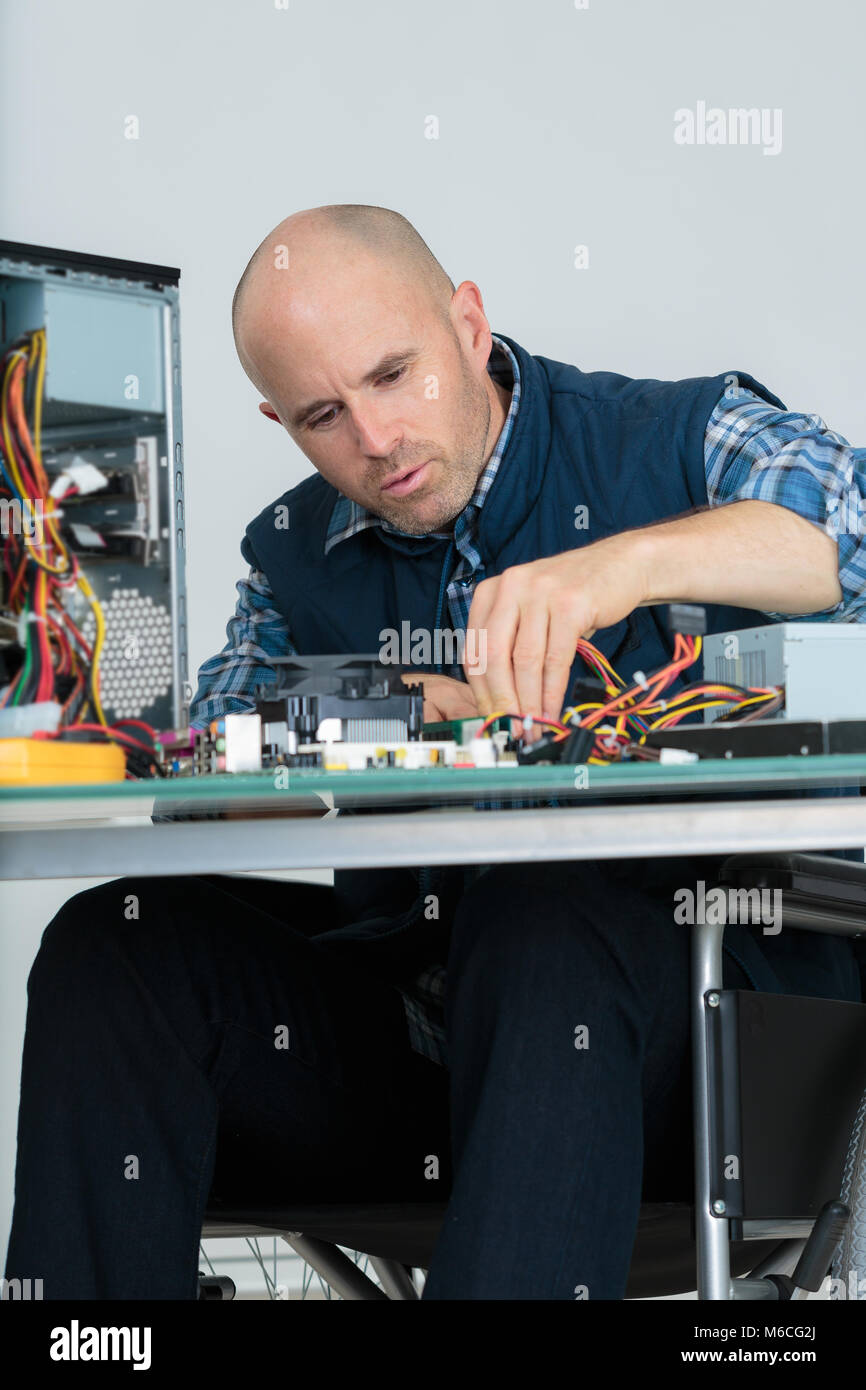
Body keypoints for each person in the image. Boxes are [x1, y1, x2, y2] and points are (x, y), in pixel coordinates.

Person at [5, 204, 865, 1300]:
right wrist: (423, 703)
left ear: (467, 323)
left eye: (392, 374)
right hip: (430, 1053)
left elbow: (847, 522)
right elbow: (215, 752)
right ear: (278, 420)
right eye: (322, 414)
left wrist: (614, 568)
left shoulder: (673, 435)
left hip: (708, 1058)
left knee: (542, 914)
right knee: (113, 946)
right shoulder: (291, 555)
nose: (372, 439)